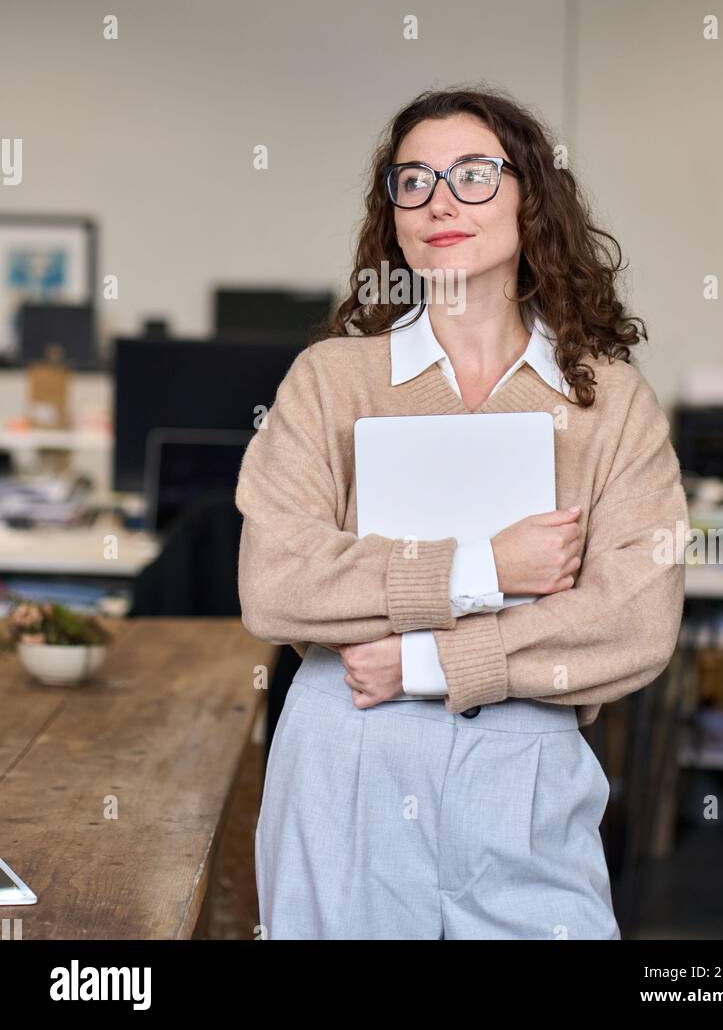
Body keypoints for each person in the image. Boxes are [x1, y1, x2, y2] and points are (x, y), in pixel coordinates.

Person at [236, 85, 688, 940]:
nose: (439, 201)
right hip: (347, 759)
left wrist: (426, 662)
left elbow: (632, 622)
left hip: (523, 768)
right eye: (413, 181)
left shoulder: (612, 403)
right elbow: (275, 584)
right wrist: (486, 566)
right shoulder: (332, 380)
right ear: (393, 216)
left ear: (531, 198)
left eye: (473, 174)